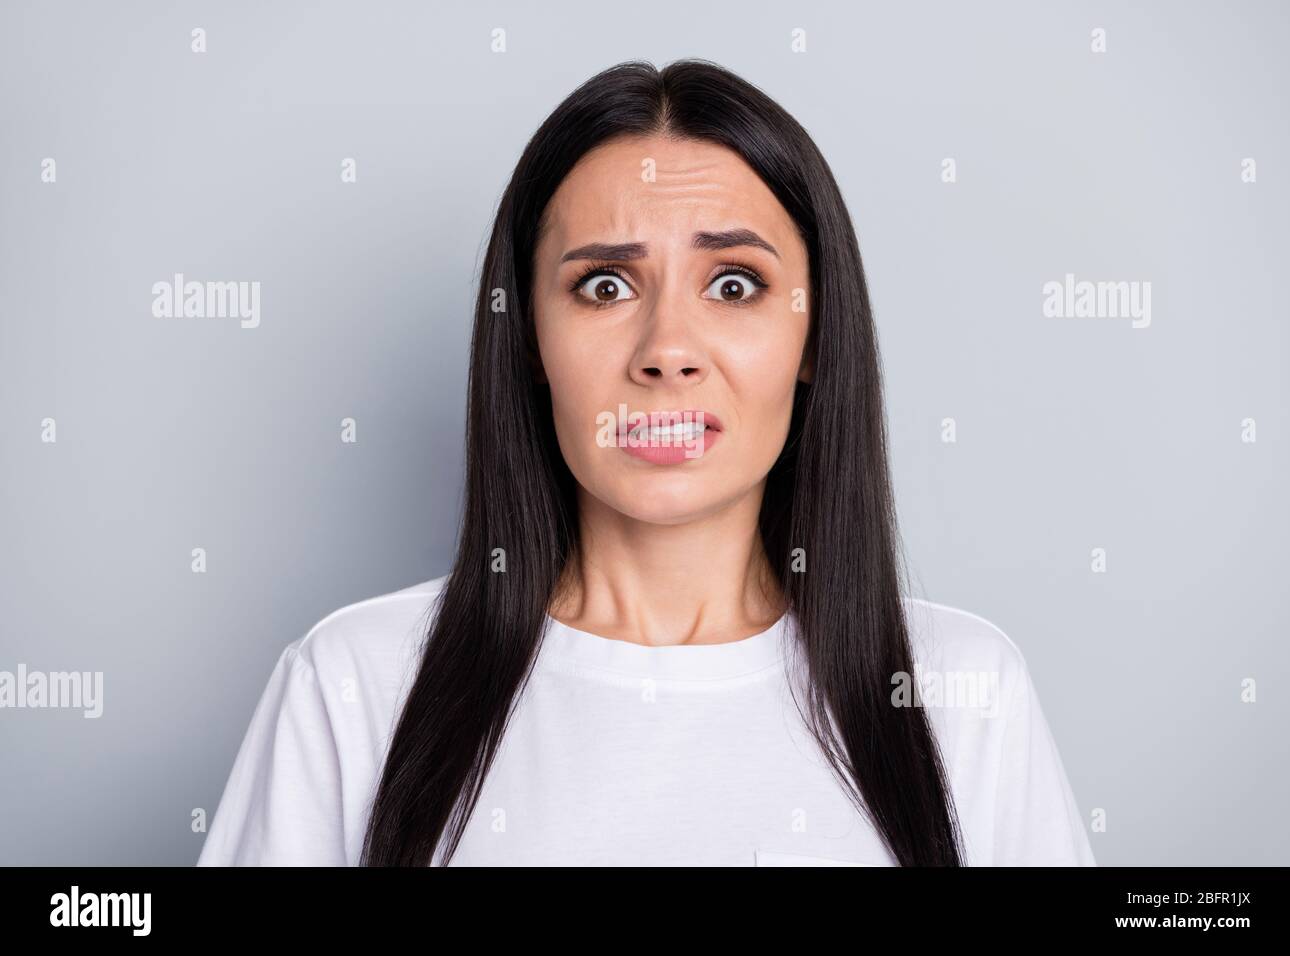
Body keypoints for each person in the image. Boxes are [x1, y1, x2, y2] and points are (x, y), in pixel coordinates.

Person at [197, 58, 1096, 867]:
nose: (668, 349)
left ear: (815, 334)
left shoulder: (964, 696)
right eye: (605, 286)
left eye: (734, 284)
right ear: (529, 339)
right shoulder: (353, 687)